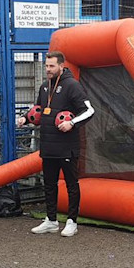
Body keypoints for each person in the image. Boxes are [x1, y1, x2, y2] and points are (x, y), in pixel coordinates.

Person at [20, 51, 94, 237]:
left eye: (52, 66)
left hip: (67, 147)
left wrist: (72, 123)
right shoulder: (45, 87)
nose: (48, 70)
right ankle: (51, 220)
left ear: (61, 66)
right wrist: (25, 119)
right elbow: (38, 111)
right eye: (46, 66)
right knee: (49, 184)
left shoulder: (72, 86)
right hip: (47, 146)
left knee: (71, 184)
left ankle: (72, 222)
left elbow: (89, 110)